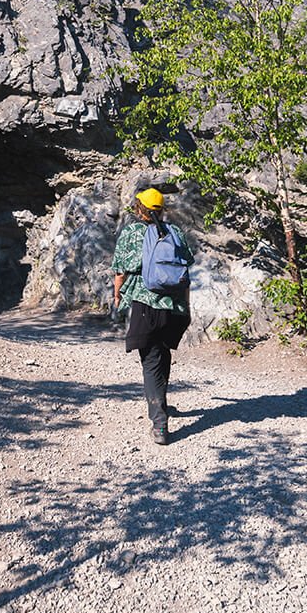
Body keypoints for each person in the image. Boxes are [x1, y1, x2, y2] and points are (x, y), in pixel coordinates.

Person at [111, 187, 193, 445]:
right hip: (174, 305)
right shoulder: (175, 232)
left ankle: (159, 424)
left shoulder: (132, 233)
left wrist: (117, 296)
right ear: (161, 210)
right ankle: (161, 405)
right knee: (162, 354)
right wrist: (187, 306)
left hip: (145, 305)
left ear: (139, 210)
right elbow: (186, 267)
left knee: (151, 360)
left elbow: (120, 271)